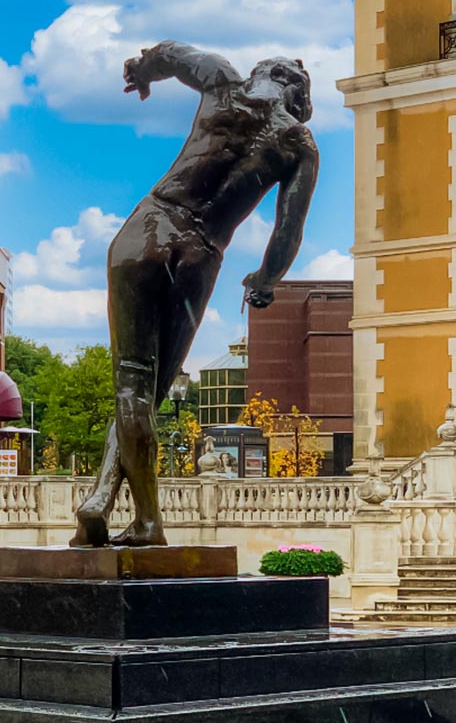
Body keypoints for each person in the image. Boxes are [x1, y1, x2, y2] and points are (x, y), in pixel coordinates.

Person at [72, 41, 319, 547]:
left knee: (131, 386)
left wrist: (140, 72)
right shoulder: (299, 144)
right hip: (201, 252)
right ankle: (130, 514)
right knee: (152, 388)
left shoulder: (222, 83)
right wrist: (265, 281)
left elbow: (167, 53)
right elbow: (286, 234)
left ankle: (116, 504)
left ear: (261, 73)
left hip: (148, 229)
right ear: (296, 95)